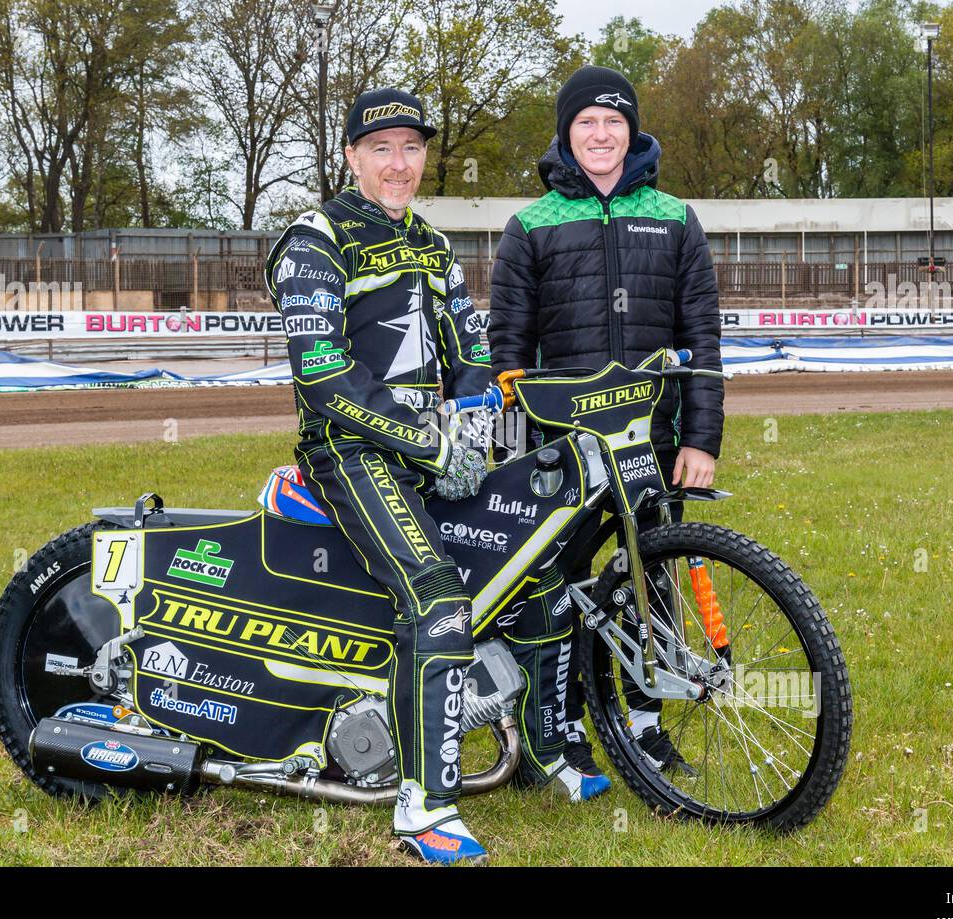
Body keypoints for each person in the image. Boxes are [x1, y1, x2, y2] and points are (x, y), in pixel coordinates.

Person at [264, 89, 491, 864]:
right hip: (348, 453)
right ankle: (425, 806)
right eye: (382, 149)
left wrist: (476, 421)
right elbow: (324, 378)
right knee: (439, 600)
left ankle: (546, 751)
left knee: (523, 558)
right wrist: (432, 443)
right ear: (353, 158)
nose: (400, 164)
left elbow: (473, 350)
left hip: (427, 448)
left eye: (412, 148)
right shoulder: (314, 240)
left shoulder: (431, 241)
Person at [488, 64, 725, 787]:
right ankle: (553, 736)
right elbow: (506, 353)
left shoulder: (676, 218)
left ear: (633, 131)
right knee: (551, 586)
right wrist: (507, 454)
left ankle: (646, 729)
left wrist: (701, 439)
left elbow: (704, 341)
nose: (600, 134)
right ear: (566, 132)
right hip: (559, 449)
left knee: (648, 583)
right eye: (585, 121)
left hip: (649, 444)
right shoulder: (529, 226)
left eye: (613, 121)